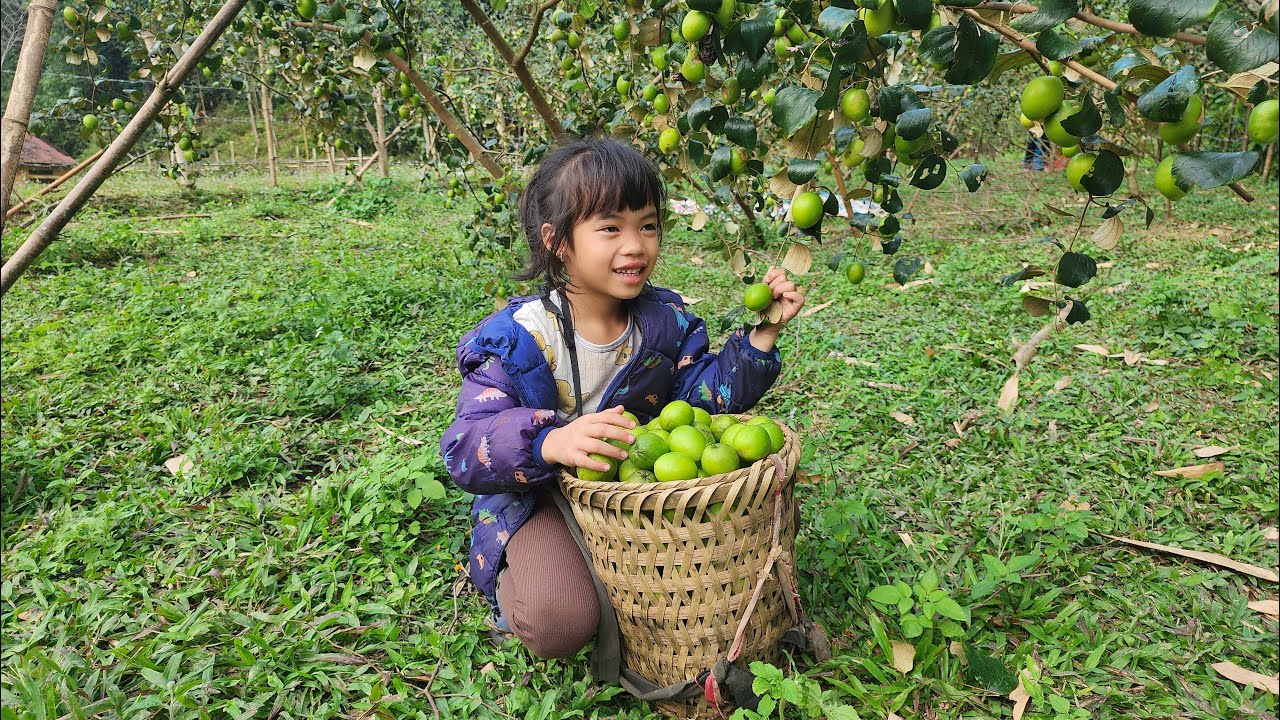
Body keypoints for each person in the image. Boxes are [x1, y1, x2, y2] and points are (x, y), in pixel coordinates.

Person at [439, 138, 806, 660]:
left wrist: (762, 335)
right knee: (557, 622)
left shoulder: (665, 326)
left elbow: (704, 402)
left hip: (635, 495)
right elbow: (464, 447)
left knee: (704, 585)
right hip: (538, 498)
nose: (635, 245)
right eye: (610, 227)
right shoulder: (517, 340)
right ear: (558, 242)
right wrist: (550, 442)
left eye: (648, 225)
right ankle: (508, 588)